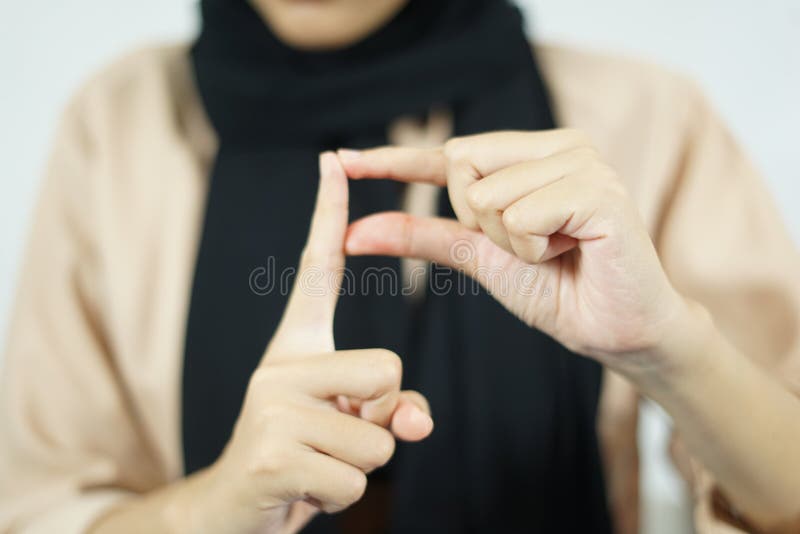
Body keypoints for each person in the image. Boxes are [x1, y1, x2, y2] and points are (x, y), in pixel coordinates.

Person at [1, 0, 799, 532]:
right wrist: (220, 502)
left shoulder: (641, 119)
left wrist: (671, 353)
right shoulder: (117, 125)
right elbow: (37, 503)